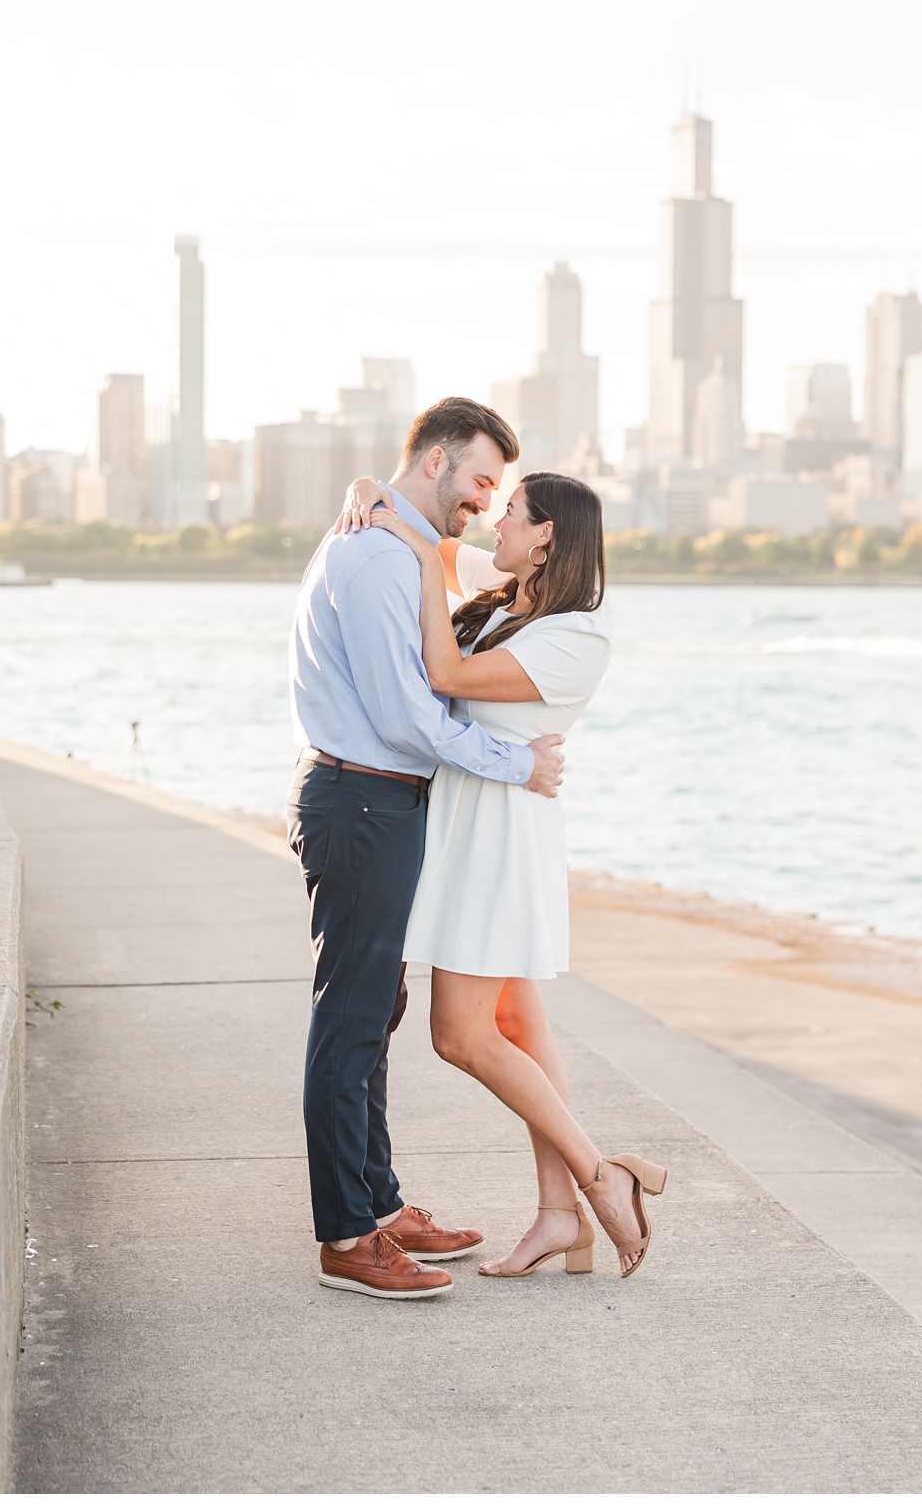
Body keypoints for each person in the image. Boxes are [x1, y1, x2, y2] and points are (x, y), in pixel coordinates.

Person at [343, 467, 668, 1279]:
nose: (496, 521)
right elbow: (437, 542)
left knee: (459, 1033)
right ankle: (561, 1216)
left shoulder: (577, 634)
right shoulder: (511, 594)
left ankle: (602, 1176)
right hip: (466, 826)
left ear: (547, 533)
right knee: (520, 1023)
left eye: (513, 512)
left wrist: (421, 564)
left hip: (499, 841)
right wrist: (368, 487)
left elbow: (446, 675)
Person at [287, 398, 567, 1301]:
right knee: (351, 1018)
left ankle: (377, 1203)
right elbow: (409, 716)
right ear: (438, 460)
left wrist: (372, 488)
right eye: (481, 480)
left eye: (498, 490)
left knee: (377, 1011)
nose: (485, 501)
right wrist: (517, 763)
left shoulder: (397, 540)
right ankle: (347, 1236)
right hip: (363, 798)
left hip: (380, 803)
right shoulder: (376, 557)